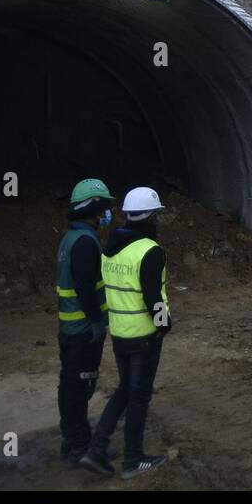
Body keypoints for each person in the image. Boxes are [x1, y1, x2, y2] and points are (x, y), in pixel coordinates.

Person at [79, 186, 172, 480]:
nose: (157, 221)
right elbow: (152, 296)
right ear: (148, 217)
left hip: (120, 334)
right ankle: (133, 459)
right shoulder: (149, 251)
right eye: (156, 215)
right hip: (144, 336)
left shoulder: (110, 246)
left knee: (124, 390)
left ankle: (95, 449)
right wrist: (163, 324)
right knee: (139, 396)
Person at [56, 179, 114, 465]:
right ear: (92, 209)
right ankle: (82, 446)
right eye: (103, 208)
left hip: (68, 329)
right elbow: (85, 287)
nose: (106, 214)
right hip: (82, 331)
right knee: (81, 387)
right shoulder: (86, 243)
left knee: (68, 384)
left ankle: (71, 438)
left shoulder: (69, 238)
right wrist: (96, 322)